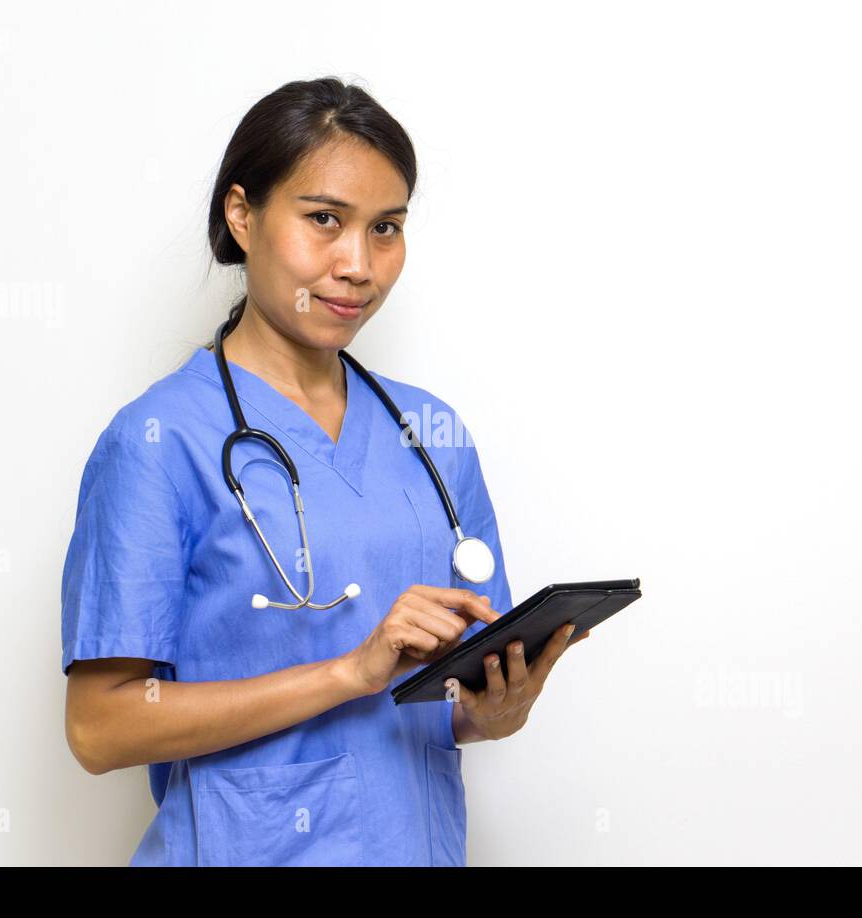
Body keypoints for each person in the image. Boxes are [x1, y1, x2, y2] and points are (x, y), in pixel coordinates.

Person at [60, 77, 591, 866]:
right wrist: (349, 671)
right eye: (323, 221)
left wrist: (495, 710)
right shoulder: (157, 441)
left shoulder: (430, 437)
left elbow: (449, 704)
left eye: (386, 228)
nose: (358, 264)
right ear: (242, 216)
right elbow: (99, 728)